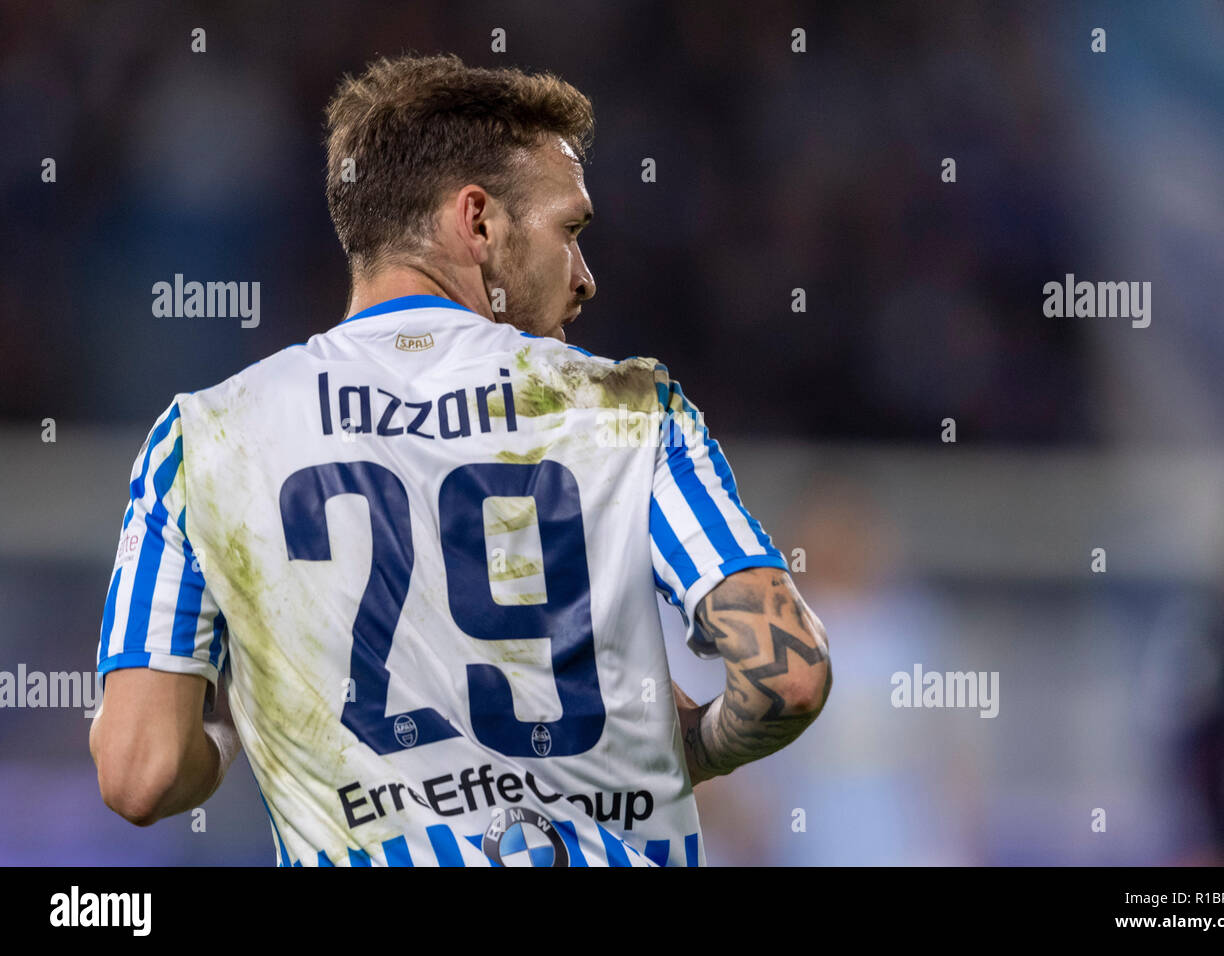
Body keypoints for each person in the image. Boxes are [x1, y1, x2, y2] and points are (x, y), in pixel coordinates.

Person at [89, 53, 831, 867]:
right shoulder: (627, 410)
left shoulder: (205, 438)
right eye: (571, 230)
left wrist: (234, 720)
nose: (584, 278)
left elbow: (140, 772)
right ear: (476, 221)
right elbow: (785, 676)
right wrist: (698, 746)